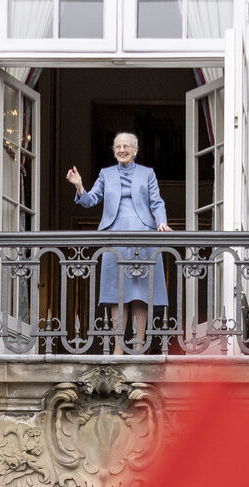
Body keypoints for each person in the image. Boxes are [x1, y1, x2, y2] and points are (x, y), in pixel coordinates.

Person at [67, 132, 171, 356]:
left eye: (126, 146)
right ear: (114, 151)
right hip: (114, 236)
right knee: (117, 292)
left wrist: (161, 222)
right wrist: (79, 187)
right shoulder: (106, 174)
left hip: (143, 235)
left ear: (135, 150)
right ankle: (118, 348)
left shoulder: (147, 173)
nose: (122, 150)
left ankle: (139, 346)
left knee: (141, 293)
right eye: (118, 147)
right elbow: (91, 200)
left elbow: (156, 202)